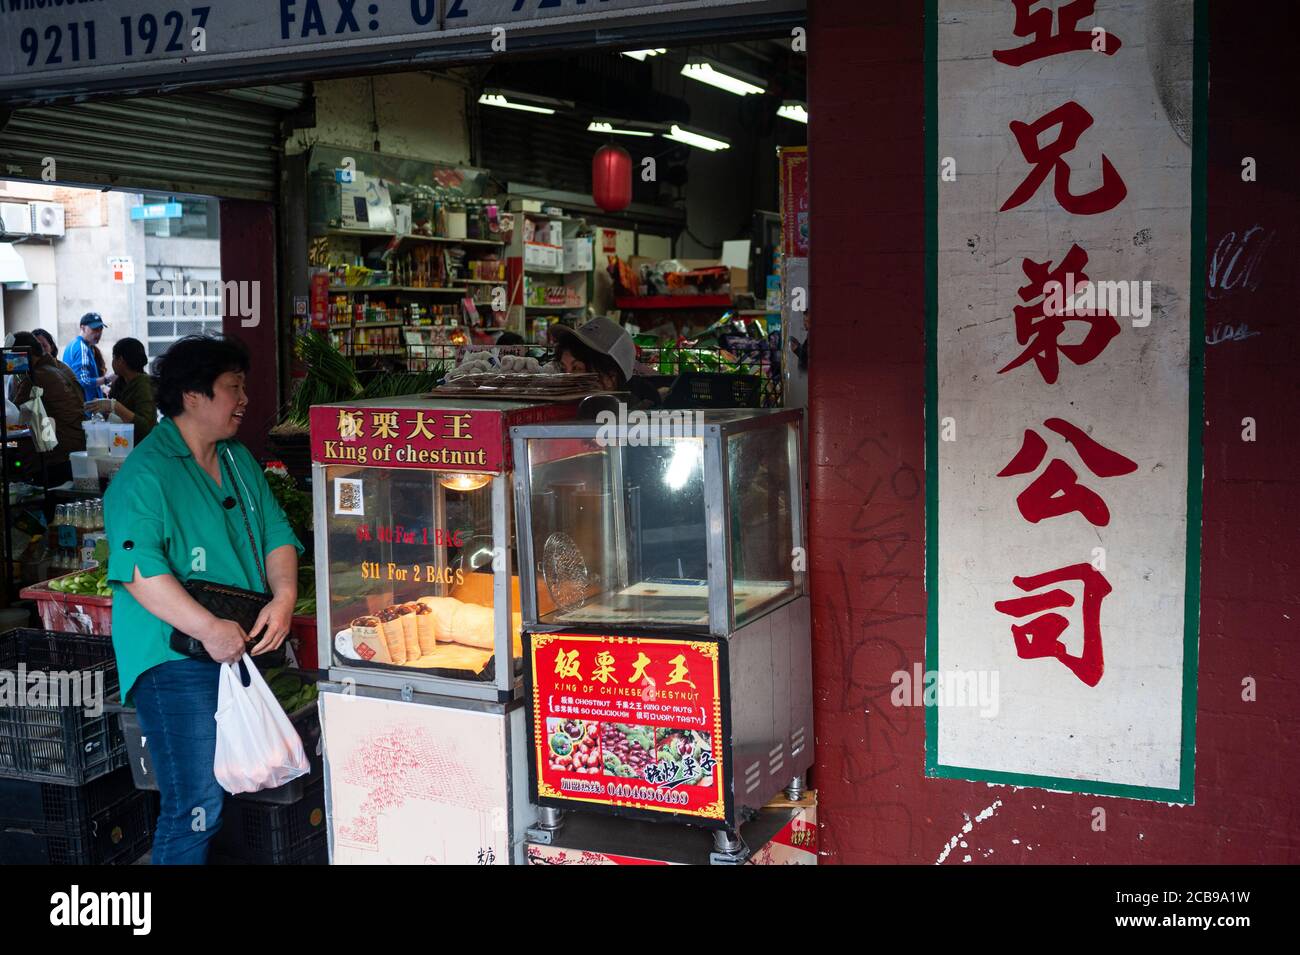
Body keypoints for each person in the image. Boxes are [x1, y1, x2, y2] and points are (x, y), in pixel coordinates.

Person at [104, 334, 303, 865]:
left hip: (236, 651)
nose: (243, 400)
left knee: (230, 797)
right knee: (194, 806)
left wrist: (283, 597)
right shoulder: (146, 474)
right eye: (232, 389)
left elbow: (278, 535)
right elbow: (137, 571)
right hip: (174, 659)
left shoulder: (238, 459)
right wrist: (207, 628)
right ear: (193, 396)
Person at [10, 331, 87, 486]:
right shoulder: (62, 369)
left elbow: (16, 418)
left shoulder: (34, 376)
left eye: (12, 357)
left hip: (52, 458)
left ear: (23, 355)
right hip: (74, 452)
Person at [551, 316, 661, 408]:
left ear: (611, 377)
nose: (566, 379)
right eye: (563, 369)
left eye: (576, 368)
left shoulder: (635, 419)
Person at [85, 337, 157, 443]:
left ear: (121, 360)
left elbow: (146, 428)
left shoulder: (144, 384)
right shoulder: (120, 383)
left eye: (114, 358)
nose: (112, 362)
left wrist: (115, 406)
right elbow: (117, 419)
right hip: (121, 444)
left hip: (142, 448)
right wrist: (103, 410)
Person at [61, 312, 112, 403]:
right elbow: (83, 381)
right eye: (94, 329)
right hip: (85, 408)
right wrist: (107, 379)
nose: (98, 333)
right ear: (82, 328)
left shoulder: (75, 345)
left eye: (100, 329)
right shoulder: (82, 347)